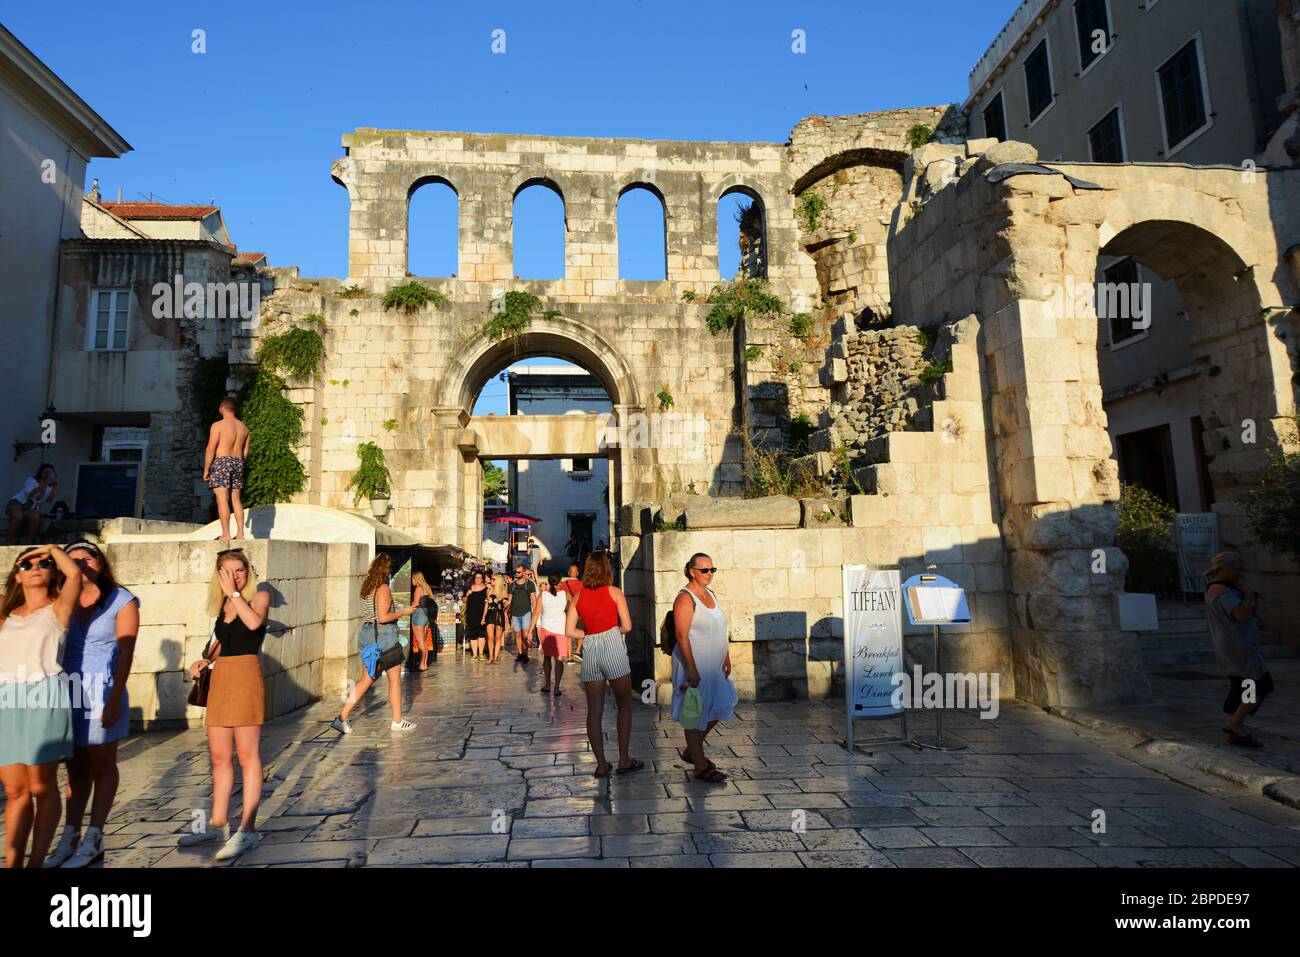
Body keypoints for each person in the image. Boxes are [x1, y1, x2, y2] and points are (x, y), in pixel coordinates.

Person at [44, 542, 138, 868]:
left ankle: (94, 835)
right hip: (67, 690)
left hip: (102, 689)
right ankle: (70, 834)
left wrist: (115, 698)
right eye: (73, 560)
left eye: (87, 558)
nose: (81, 564)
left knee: (101, 764)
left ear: (100, 562)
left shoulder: (121, 601)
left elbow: (126, 653)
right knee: (74, 768)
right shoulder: (59, 598)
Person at [180, 549, 269, 861]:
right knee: (219, 757)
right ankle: (217, 824)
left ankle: (248, 829)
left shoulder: (259, 597)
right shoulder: (221, 606)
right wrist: (203, 661)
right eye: (227, 571)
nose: (234, 576)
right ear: (217, 575)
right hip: (222, 681)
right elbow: (222, 646)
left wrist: (235, 592)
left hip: (246, 678)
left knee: (248, 756)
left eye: (239, 570)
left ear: (248, 571)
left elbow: (254, 625)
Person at [0, 544, 81, 868]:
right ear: (16, 575)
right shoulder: (5, 614)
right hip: (7, 697)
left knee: (40, 784)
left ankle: (36, 861)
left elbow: (74, 573)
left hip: (44, 693)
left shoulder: (58, 609)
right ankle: (13, 862)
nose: (36, 567)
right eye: (27, 564)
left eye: (44, 563)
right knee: (15, 788)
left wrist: (50, 548)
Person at [566, 553, 642, 776]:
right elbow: (627, 626)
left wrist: (589, 634)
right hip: (612, 645)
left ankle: (601, 763)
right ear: (606, 569)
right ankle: (624, 759)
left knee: (594, 711)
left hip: (590, 647)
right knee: (624, 705)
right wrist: (611, 631)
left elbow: (569, 631)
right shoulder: (614, 592)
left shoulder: (578, 597)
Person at [672, 553, 737, 783]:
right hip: (695, 665)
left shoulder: (711, 595)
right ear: (692, 571)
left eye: (712, 570)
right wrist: (691, 668)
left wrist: (726, 655)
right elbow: (681, 635)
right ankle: (700, 766)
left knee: (721, 704)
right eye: (704, 570)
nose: (709, 574)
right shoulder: (685, 598)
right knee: (694, 713)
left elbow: (719, 626)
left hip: (715, 665)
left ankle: (693, 749)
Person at [332, 553, 417, 732]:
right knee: (395, 680)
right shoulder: (383, 588)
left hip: (368, 634)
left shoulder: (366, 587)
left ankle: (342, 717)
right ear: (385, 569)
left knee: (366, 679)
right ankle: (397, 721)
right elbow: (383, 617)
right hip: (384, 637)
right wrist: (403, 612)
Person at [1204, 552, 1273, 748]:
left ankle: (1235, 730)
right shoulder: (1222, 592)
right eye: (1236, 569)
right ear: (1222, 568)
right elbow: (1241, 614)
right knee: (1259, 685)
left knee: (1239, 686)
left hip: (1229, 645)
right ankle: (1235, 723)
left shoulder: (1216, 589)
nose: (1240, 573)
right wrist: (1249, 597)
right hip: (1238, 646)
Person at [203, 397, 250, 543]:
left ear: (223, 408)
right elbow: (245, 453)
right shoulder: (244, 428)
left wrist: (206, 469)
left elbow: (211, 448)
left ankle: (226, 534)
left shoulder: (218, 425)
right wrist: (238, 464)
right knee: (236, 499)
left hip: (222, 461)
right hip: (238, 462)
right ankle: (241, 533)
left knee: (222, 498)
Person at [5, 464, 58, 545]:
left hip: (30, 507)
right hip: (17, 503)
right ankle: (7, 542)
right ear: (41, 473)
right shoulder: (32, 480)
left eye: (50, 473)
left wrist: (54, 487)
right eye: (46, 472)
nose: (48, 475)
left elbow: (49, 500)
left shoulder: (49, 487)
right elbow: (29, 495)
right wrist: (45, 484)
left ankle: (29, 543)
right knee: (18, 517)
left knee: (35, 518)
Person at [535, 575, 569, 696]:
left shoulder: (543, 595)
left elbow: (536, 613)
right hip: (561, 629)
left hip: (546, 629)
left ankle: (548, 684)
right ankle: (556, 687)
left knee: (547, 658)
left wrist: (529, 631)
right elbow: (571, 609)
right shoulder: (565, 594)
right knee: (559, 659)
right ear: (560, 582)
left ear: (549, 582)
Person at [508, 563, 537, 663]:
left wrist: (535, 612)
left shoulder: (529, 584)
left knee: (525, 634)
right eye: (516, 572)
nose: (517, 573)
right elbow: (509, 600)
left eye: (519, 572)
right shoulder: (512, 585)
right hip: (515, 613)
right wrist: (506, 607)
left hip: (526, 612)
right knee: (517, 634)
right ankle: (520, 654)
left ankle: (525, 653)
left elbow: (533, 600)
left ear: (524, 572)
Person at [409, 570, 435, 671]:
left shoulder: (418, 589)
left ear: (416, 578)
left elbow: (415, 604)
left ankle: (421, 664)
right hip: (426, 615)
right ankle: (424, 664)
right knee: (424, 641)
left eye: (412, 578)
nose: (411, 580)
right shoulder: (426, 588)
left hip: (418, 615)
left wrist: (410, 604)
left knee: (420, 642)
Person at [462, 570, 489, 660]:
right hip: (471, 614)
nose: (478, 579)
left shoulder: (486, 589)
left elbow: (487, 601)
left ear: (482, 579)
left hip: (482, 615)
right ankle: (474, 654)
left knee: (481, 634)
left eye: (480, 578)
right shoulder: (469, 588)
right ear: (474, 579)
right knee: (473, 634)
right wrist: (467, 594)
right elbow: (464, 600)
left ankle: (481, 653)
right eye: (476, 578)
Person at [560, 563, 584, 663]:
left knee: (568, 634)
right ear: (577, 573)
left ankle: (569, 658)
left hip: (568, 611)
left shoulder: (564, 584)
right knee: (582, 631)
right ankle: (578, 651)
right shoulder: (582, 584)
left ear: (569, 573)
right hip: (580, 611)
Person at [485, 574, 507, 664]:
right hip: (490, 614)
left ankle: (496, 657)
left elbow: (506, 605)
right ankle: (490, 657)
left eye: (493, 579)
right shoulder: (489, 590)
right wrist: (483, 617)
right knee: (490, 637)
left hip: (499, 614)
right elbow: (486, 605)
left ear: (498, 580)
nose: (491, 581)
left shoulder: (503, 591)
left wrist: (505, 605)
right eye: (491, 579)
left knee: (498, 638)